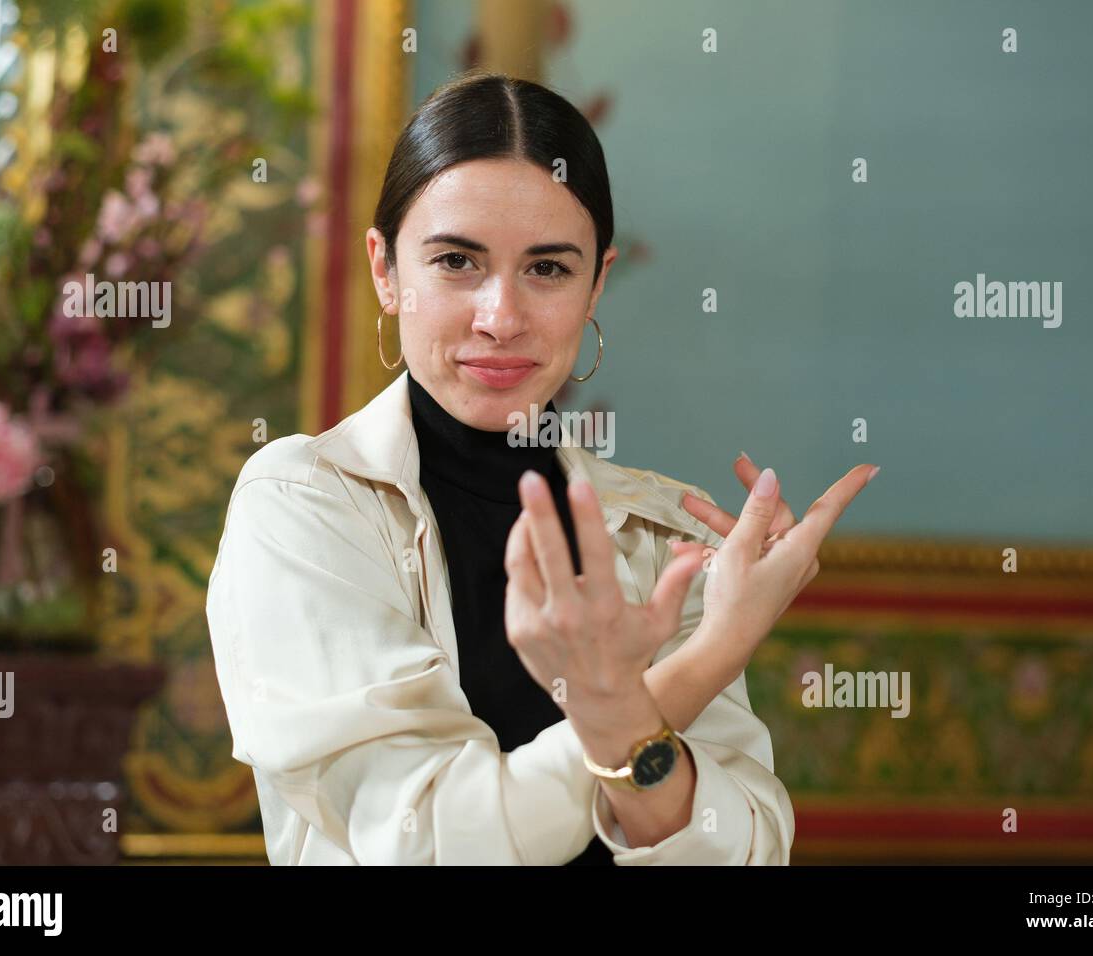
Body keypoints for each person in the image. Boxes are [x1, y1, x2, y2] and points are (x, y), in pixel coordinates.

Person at [205, 70, 877, 865]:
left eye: (548, 269)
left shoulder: (668, 535)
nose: (502, 318)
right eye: (457, 261)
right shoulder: (304, 507)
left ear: (597, 283)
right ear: (386, 271)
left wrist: (647, 700)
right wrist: (710, 657)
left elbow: (743, 854)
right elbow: (430, 844)